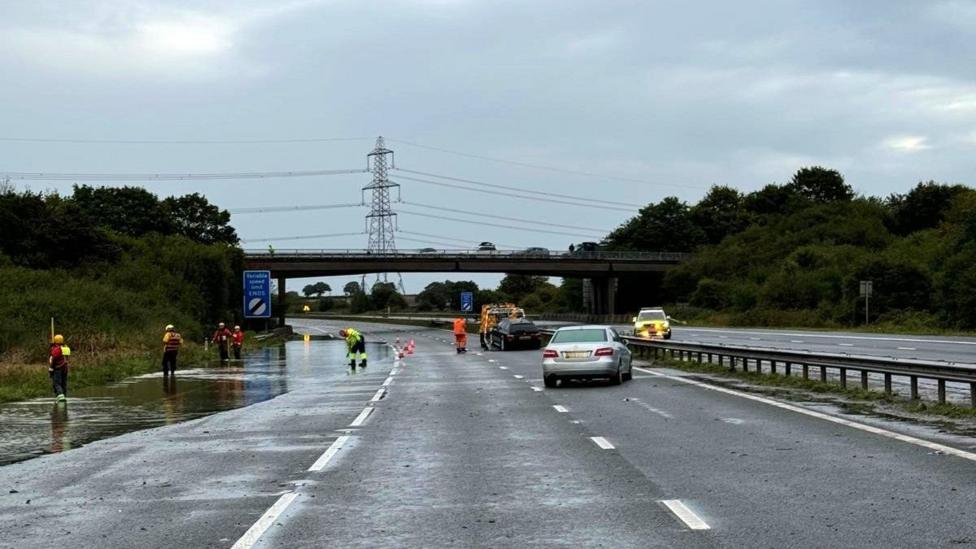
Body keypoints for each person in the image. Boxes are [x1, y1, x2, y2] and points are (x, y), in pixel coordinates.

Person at [48, 334, 71, 402]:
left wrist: (51, 368)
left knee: (57, 383)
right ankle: (63, 396)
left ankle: (60, 396)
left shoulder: (56, 349)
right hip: (65, 368)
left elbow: (53, 358)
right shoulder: (66, 347)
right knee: (64, 383)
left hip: (57, 368)